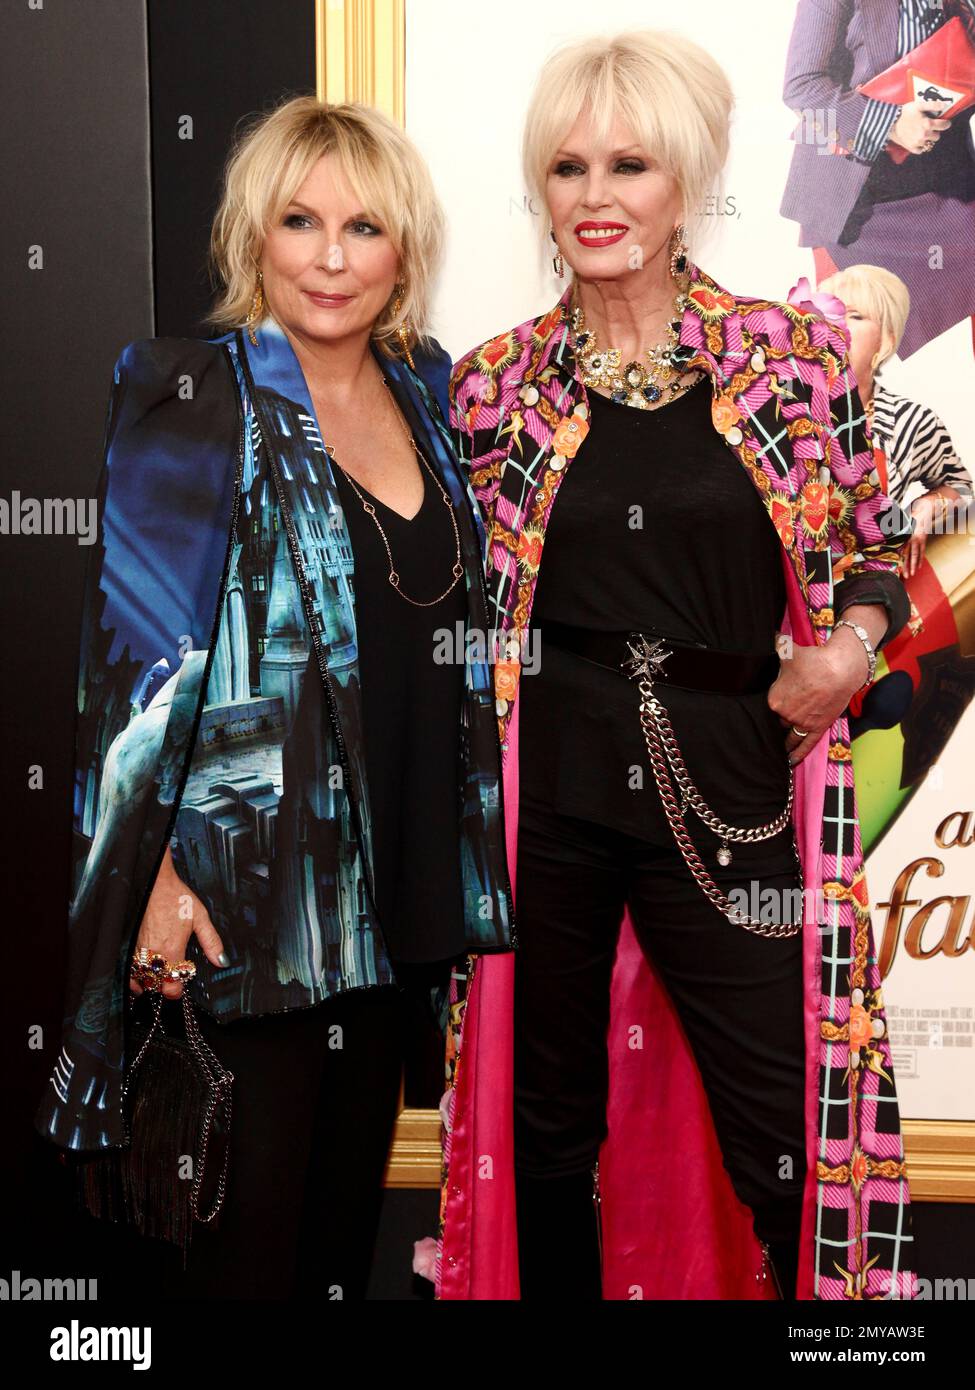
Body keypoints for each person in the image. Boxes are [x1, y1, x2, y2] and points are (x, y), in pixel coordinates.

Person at [437, 31, 920, 1301]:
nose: (596, 197)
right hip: (548, 793)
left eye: (630, 165)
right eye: (568, 167)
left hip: (731, 772)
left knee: (781, 1111)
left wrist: (849, 652)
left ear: (687, 181)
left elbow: (879, 553)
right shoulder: (493, 386)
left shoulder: (791, 359)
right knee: (549, 1118)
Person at [34, 96, 513, 1300]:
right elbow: (128, 681)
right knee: (242, 1258)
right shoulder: (186, 394)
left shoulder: (431, 396)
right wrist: (145, 878)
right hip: (243, 908)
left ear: (404, 249)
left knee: (339, 1249)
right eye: (300, 222)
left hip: (392, 914)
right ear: (256, 238)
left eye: (364, 227)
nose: (332, 256)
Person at [779, 0, 975, 361]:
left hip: (946, 188)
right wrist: (891, 123)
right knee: (847, 355)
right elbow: (802, 88)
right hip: (854, 196)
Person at [818, 263, 972, 578]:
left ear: (886, 341)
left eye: (855, 315)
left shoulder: (911, 421)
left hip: (865, 594)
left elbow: (963, 492)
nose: (835, 325)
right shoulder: (774, 407)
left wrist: (926, 509)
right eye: (826, 313)